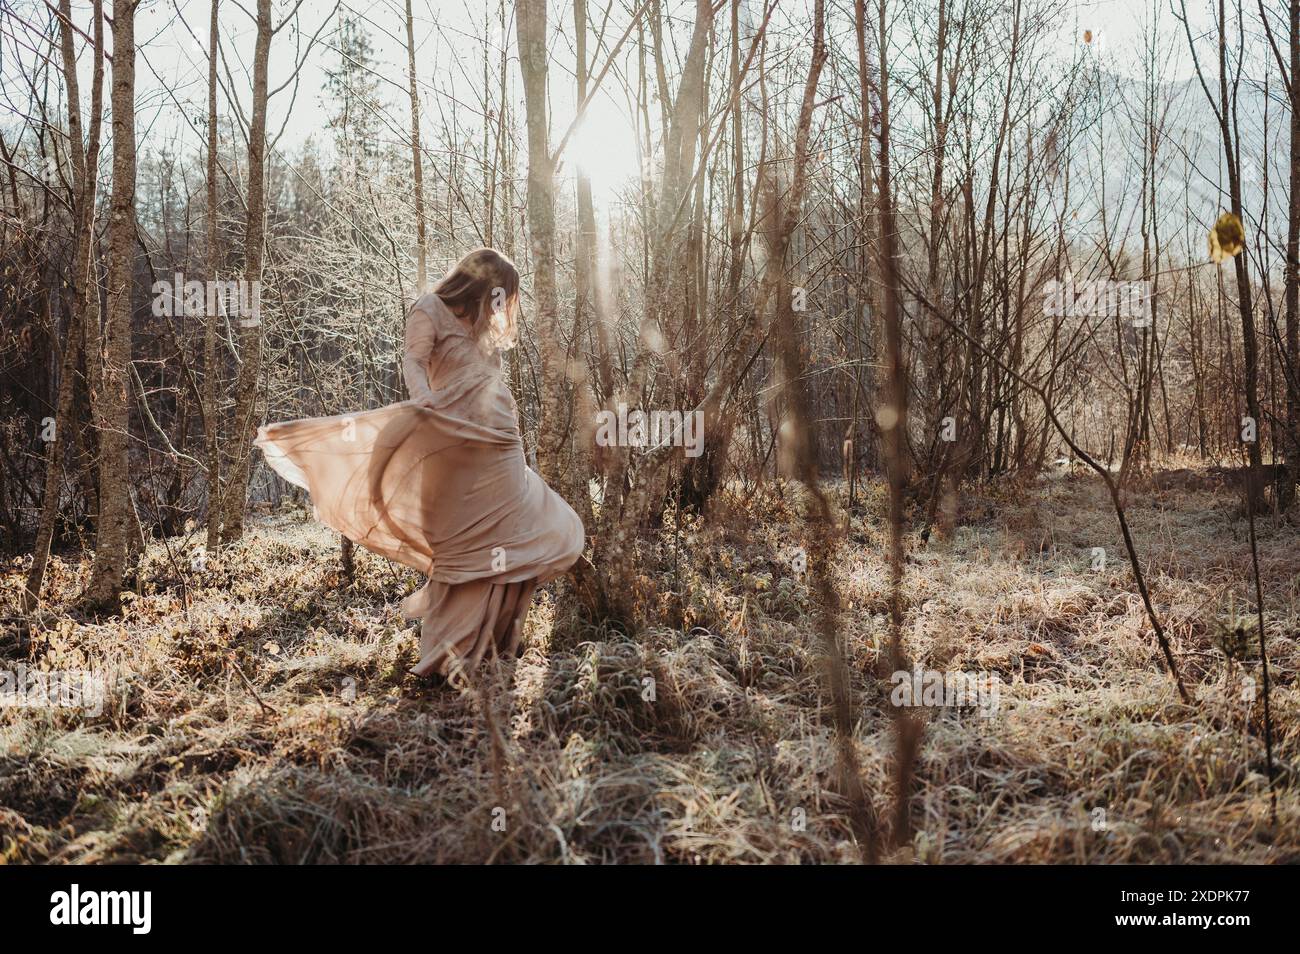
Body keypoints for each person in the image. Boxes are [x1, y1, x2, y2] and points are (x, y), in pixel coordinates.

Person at [255, 248, 584, 679]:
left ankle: (497, 645)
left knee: (516, 528)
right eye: (499, 293)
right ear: (479, 283)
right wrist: (424, 402)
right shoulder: (428, 308)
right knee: (461, 545)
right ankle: (451, 656)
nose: (502, 305)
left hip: (502, 442)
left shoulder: (486, 323)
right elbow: (412, 361)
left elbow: (490, 375)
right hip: (450, 435)